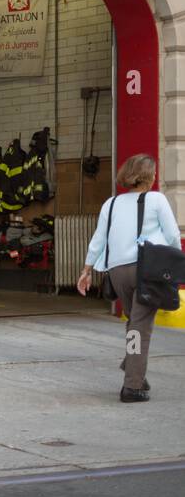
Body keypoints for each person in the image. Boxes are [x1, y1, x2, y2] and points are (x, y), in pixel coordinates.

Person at [77, 154, 181, 403]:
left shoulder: (111, 203)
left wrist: (87, 270)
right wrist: (176, 264)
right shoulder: (156, 199)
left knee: (135, 321)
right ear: (150, 176)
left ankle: (133, 365)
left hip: (117, 271)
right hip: (146, 270)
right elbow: (173, 235)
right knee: (140, 327)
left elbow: (99, 239)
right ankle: (132, 387)